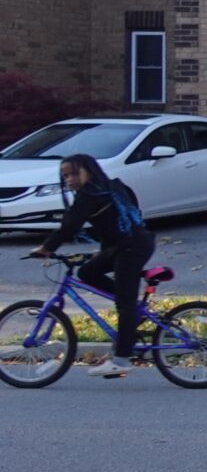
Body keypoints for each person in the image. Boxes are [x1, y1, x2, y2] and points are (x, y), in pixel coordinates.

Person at [32, 152, 155, 378]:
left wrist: (47, 248)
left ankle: (121, 360)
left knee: (125, 304)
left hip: (131, 248)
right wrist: (105, 249)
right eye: (65, 176)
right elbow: (125, 214)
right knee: (87, 271)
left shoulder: (89, 195)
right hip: (129, 243)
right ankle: (133, 311)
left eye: (74, 174)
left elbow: (70, 226)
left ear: (89, 171)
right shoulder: (111, 186)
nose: (69, 180)